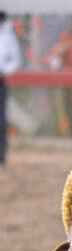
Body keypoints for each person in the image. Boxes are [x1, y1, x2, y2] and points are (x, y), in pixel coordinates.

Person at [0, 10, 22, 165]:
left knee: (1, 120)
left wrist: (4, 71)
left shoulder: (7, 38)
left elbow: (15, 61)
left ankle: (1, 155)